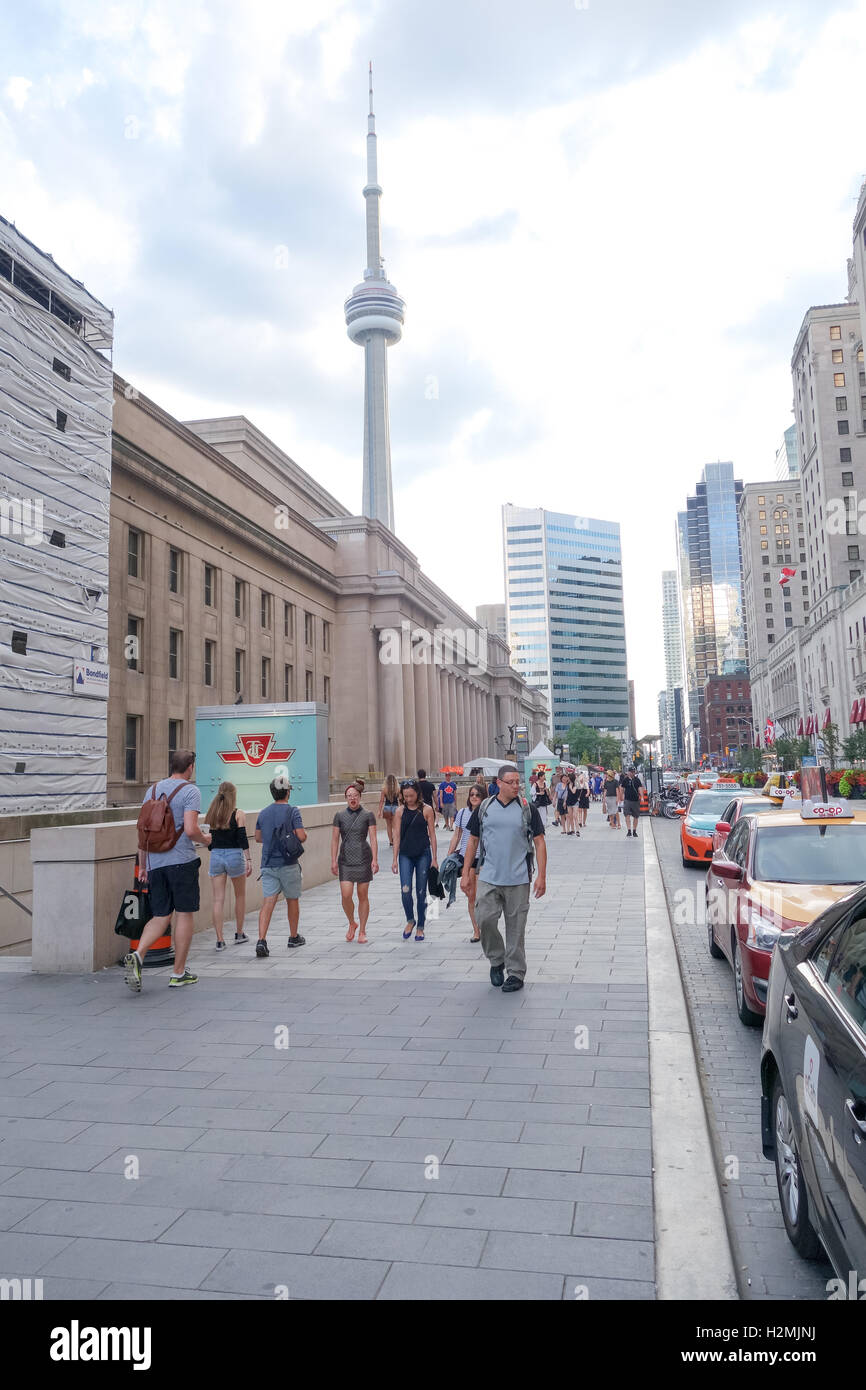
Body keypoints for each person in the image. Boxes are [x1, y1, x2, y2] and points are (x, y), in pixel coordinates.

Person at [124, 749, 211, 992]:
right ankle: (178, 973)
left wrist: (143, 865)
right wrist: (206, 839)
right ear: (190, 767)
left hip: (154, 862)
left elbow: (143, 832)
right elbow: (192, 829)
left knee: (161, 915)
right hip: (181, 860)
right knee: (184, 913)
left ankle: (139, 954)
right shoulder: (191, 791)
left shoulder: (151, 791)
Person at [461, 765, 547, 993]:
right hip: (489, 876)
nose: (516, 786)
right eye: (511, 782)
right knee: (484, 918)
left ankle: (516, 973)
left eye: (518, 782)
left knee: (516, 928)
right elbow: (472, 841)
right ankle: (497, 960)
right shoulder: (485, 808)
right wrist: (465, 873)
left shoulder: (527, 808)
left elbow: (539, 841)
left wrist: (541, 876)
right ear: (499, 783)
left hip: (518, 878)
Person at [254, 775, 307, 956]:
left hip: (268, 863)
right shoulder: (293, 811)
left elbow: (259, 837)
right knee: (292, 899)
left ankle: (261, 940)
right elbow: (301, 836)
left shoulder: (264, 812)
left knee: (268, 902)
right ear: (287, 792)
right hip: (288, 863)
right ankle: (293, 937)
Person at [204, 781, 251, 949]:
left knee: (218, 900)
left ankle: (219, 940)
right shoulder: (238, 813)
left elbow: (208, 840)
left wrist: (214, 848)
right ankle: (239, 934)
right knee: (240, 896)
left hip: (216, 856)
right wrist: (249, 860)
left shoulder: (211, 814)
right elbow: (242, 837)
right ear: (234, 795)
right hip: (234, 855)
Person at [331, 783, 379, 943]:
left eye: (355, 795)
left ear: (360, 797)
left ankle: (363, 931)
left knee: (362, 894)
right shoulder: (339, 815)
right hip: (345, 859)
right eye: (349, 796)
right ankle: (352, 923)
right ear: (346, 798)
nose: (353, 798)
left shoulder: (368, 815)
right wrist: (333, 860)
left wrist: (375, 859)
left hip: (363, 857)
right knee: (346, 895)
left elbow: (373, 838)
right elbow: (334, 839)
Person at [392, 780, 438, 941]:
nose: (409, 799)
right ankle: (410, 919)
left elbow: (432, 835)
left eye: (411, 795)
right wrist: (394, 859)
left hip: (423, 854)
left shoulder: (427, 810)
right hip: (405, 854)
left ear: (417, 794)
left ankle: (421, 926)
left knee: (421, 891)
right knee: (405, 890)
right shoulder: (399, 811)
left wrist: (435, 858)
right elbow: (396, 835)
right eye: (405, 796)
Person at [448, 784, 485, 941]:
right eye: (472, 795)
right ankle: (476, 930)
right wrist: (449, 855)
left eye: (477, 795)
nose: (474, 797)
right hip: (466, 858)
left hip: (483, 859)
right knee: (471, 896)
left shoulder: (486, 813)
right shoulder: (462, 813)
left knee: (482, 896)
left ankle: (484, 926)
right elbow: (457, 835)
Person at [378, 773, 401, 847]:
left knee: (388, 826)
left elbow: (381, 801)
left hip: (387, 807)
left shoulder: (384, 789)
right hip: (395, 807)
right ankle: (395, 840)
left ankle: (391, 841)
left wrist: (379, 811)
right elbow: (400, 800)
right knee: (395, 826)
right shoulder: (398, 789)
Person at [620, 766, 643, 838]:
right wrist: (622, 796)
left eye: (634, 772)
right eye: (631, 772)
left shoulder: (637, 780)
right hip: (627, 800)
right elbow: (622, 788)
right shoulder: (625, 780)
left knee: (636, 816)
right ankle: (629, 830)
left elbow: (640, 788)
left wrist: (642, 797)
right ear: (628, 772)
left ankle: (634, 830)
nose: (633, 773)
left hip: (635, 800)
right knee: (627, 815)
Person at [565, 769, 580, 836]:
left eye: (568, 777)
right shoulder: (567, 784)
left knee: (575, 816)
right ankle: (572, 830)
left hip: (575, 801)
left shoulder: (576, 784)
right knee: (570, 816)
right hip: (569, 801)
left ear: (571, 778)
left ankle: (577, 830)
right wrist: (565, 801)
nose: (567, 778)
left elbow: (573, 792)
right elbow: (567, 793)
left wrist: (571, 787)